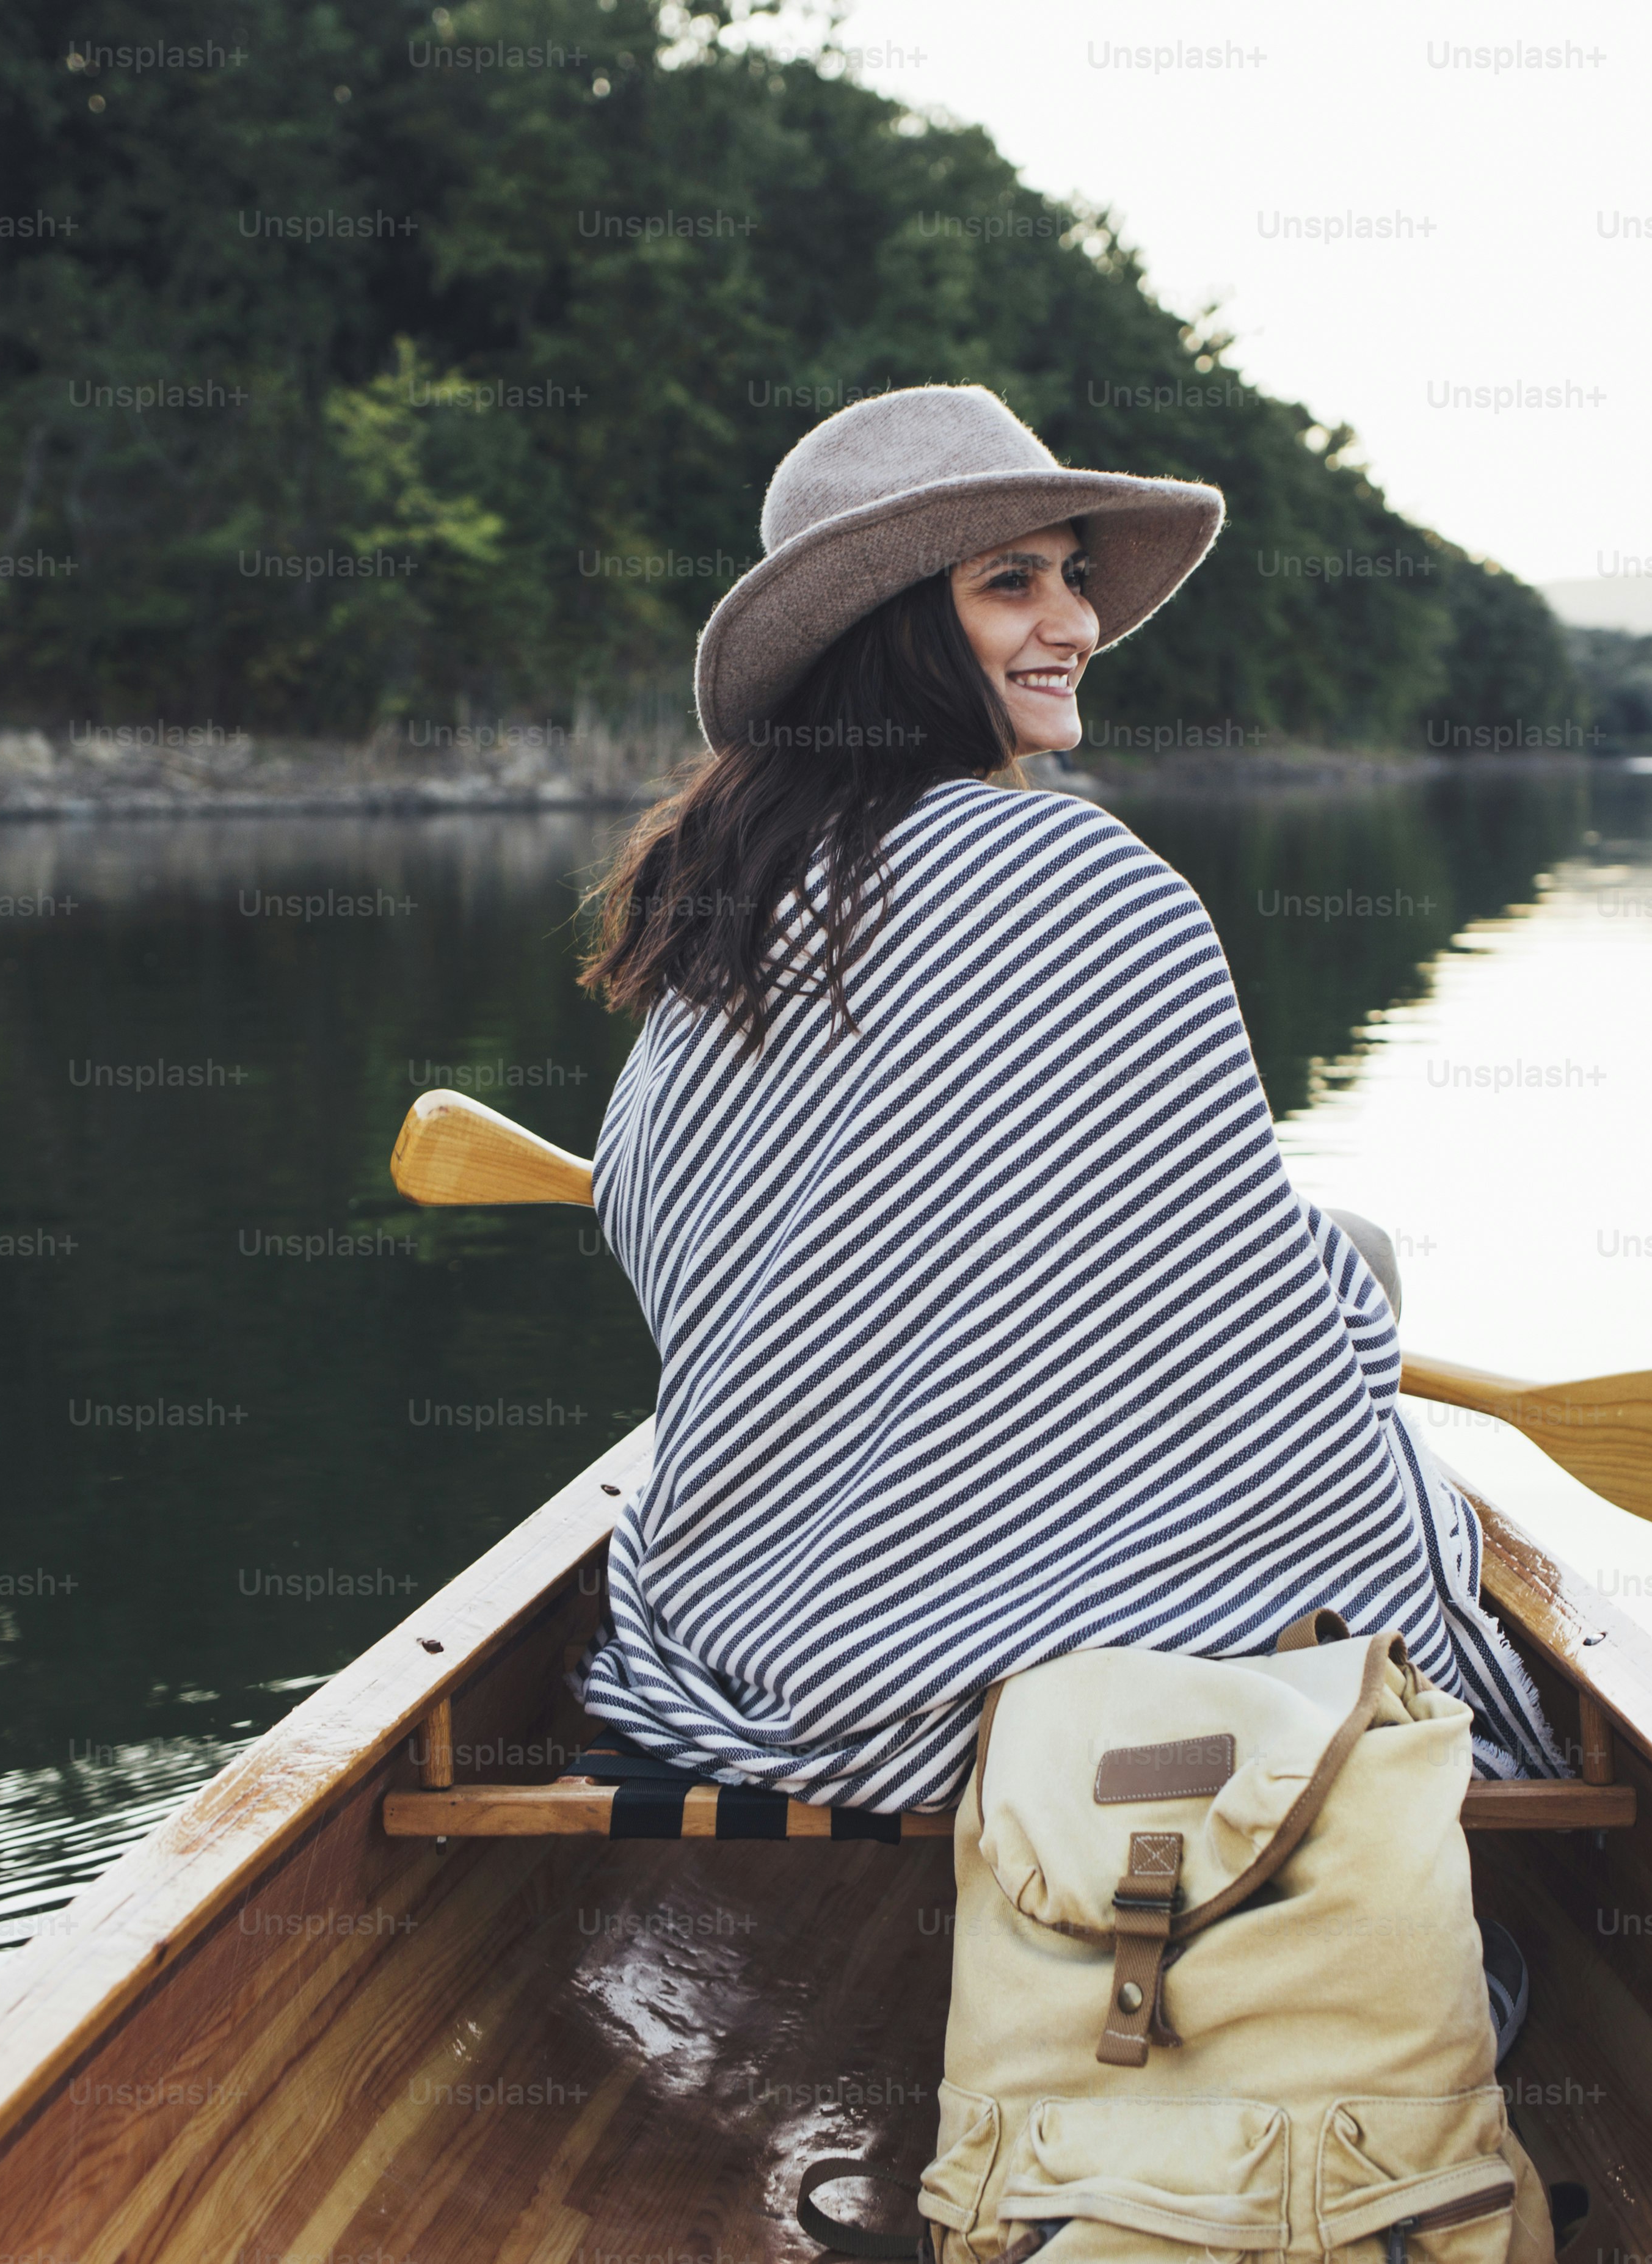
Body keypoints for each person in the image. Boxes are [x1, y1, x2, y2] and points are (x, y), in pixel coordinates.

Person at [575, 384, 1562, 1813]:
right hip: (1006, 1678)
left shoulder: (719, 901)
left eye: (1074, 575)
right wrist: (1347, 1301)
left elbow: (652, 1220)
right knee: (1350, 1272)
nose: (1076, 623)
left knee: (1333, 1260)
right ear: (894, 627)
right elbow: (1258, 1324)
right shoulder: (1083, 884)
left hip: (758, 1628)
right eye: (1010, 583)